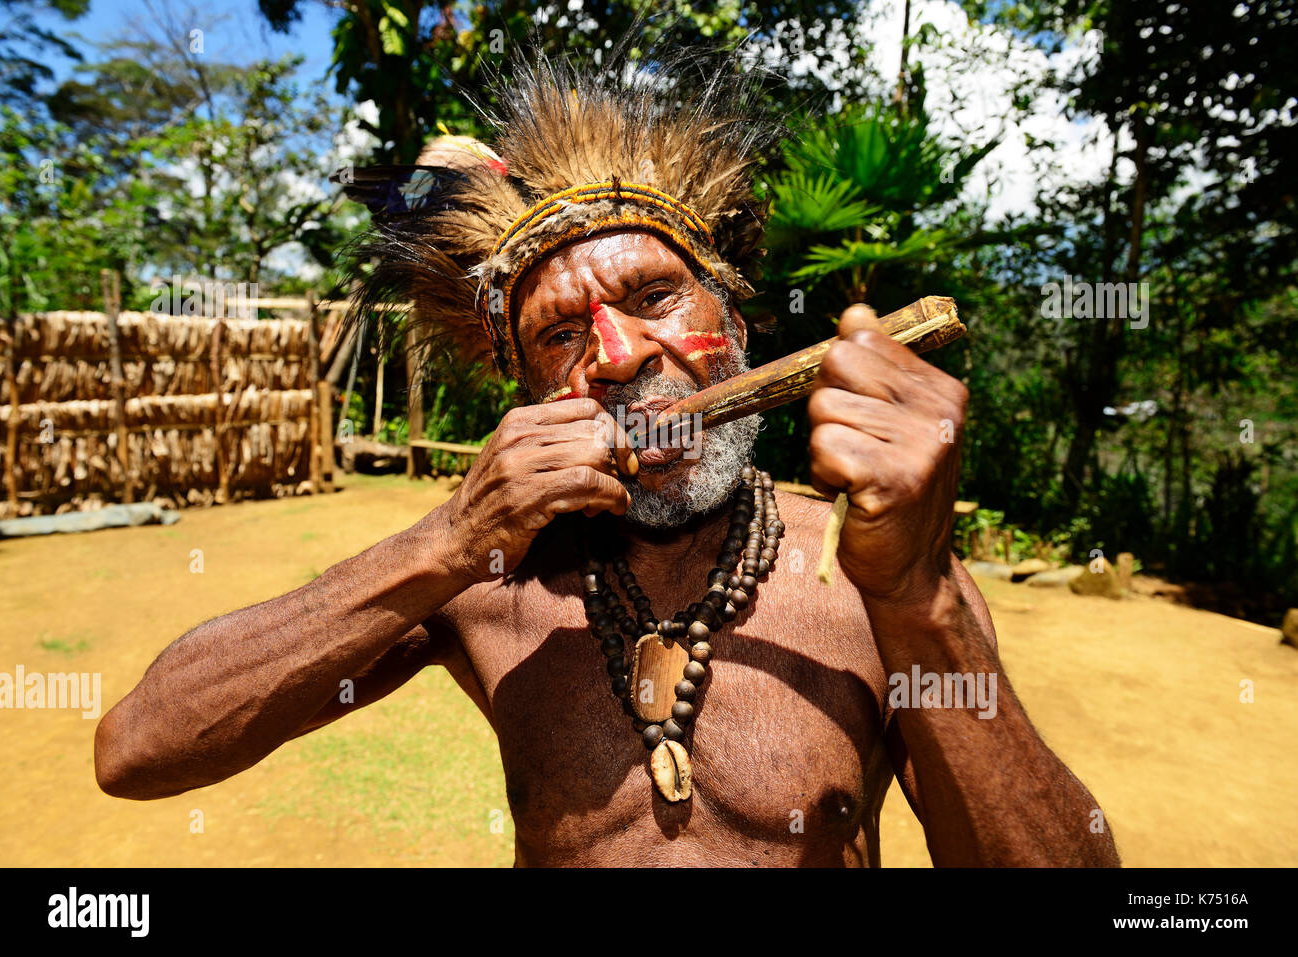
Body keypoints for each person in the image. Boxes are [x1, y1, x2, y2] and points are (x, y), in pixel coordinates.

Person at [94, 42, 1120, 868]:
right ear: (528, 395)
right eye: (559, 334)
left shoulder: (874, 584)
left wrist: (919, 601)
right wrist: (446, 542)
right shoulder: (486, 585)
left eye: (655, 297)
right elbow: (137, 750)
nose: (620, 357)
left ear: (734, 320)